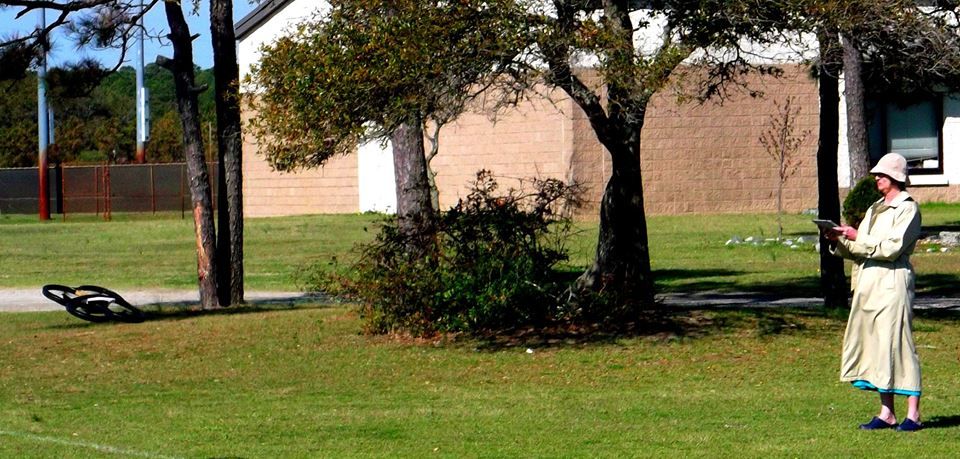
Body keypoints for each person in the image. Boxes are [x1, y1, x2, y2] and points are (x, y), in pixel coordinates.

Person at [825, 153, 923, 432]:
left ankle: (913, 413)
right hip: (869, 284)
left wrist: (858, 237)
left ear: (895, 178)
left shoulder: (908, 209)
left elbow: (891, 248)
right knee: (877, 346)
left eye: (881, 174)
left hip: (892, 283)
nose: (877, 178)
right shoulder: (875, 208)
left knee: (899, 344)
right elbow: (860, 248)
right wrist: (841, 238)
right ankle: (887, 412)